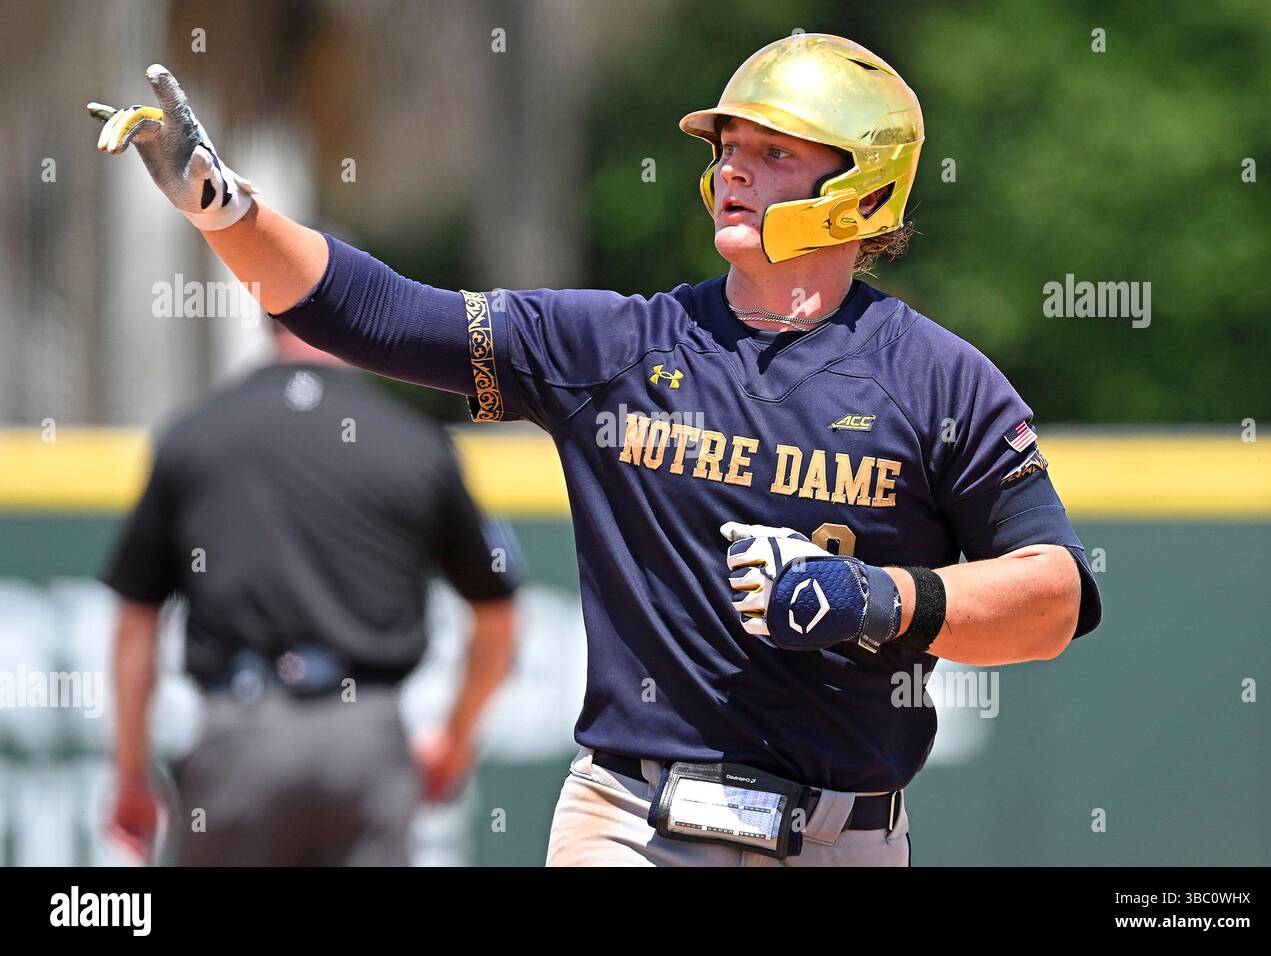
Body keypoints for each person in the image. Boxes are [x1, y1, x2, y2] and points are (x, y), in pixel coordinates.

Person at [89, 33, 1101, 867]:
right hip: (636, 822)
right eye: (729, 145)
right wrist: (226, 209)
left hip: (849, 835)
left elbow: (1051, 598)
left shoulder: (938, 379)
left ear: (861, 185)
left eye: (776, 150)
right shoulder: (620, 345)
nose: (733, 167)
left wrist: (878, 599)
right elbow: (378, 312)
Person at [102, 321, 518, 866]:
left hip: (242, 736)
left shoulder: (197, 434)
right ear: (357, 316)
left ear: (268, 318)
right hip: (366, 743)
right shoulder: (413, 439)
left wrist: (131, 773)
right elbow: (498, 613)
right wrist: (455, 738)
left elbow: (136, 624)